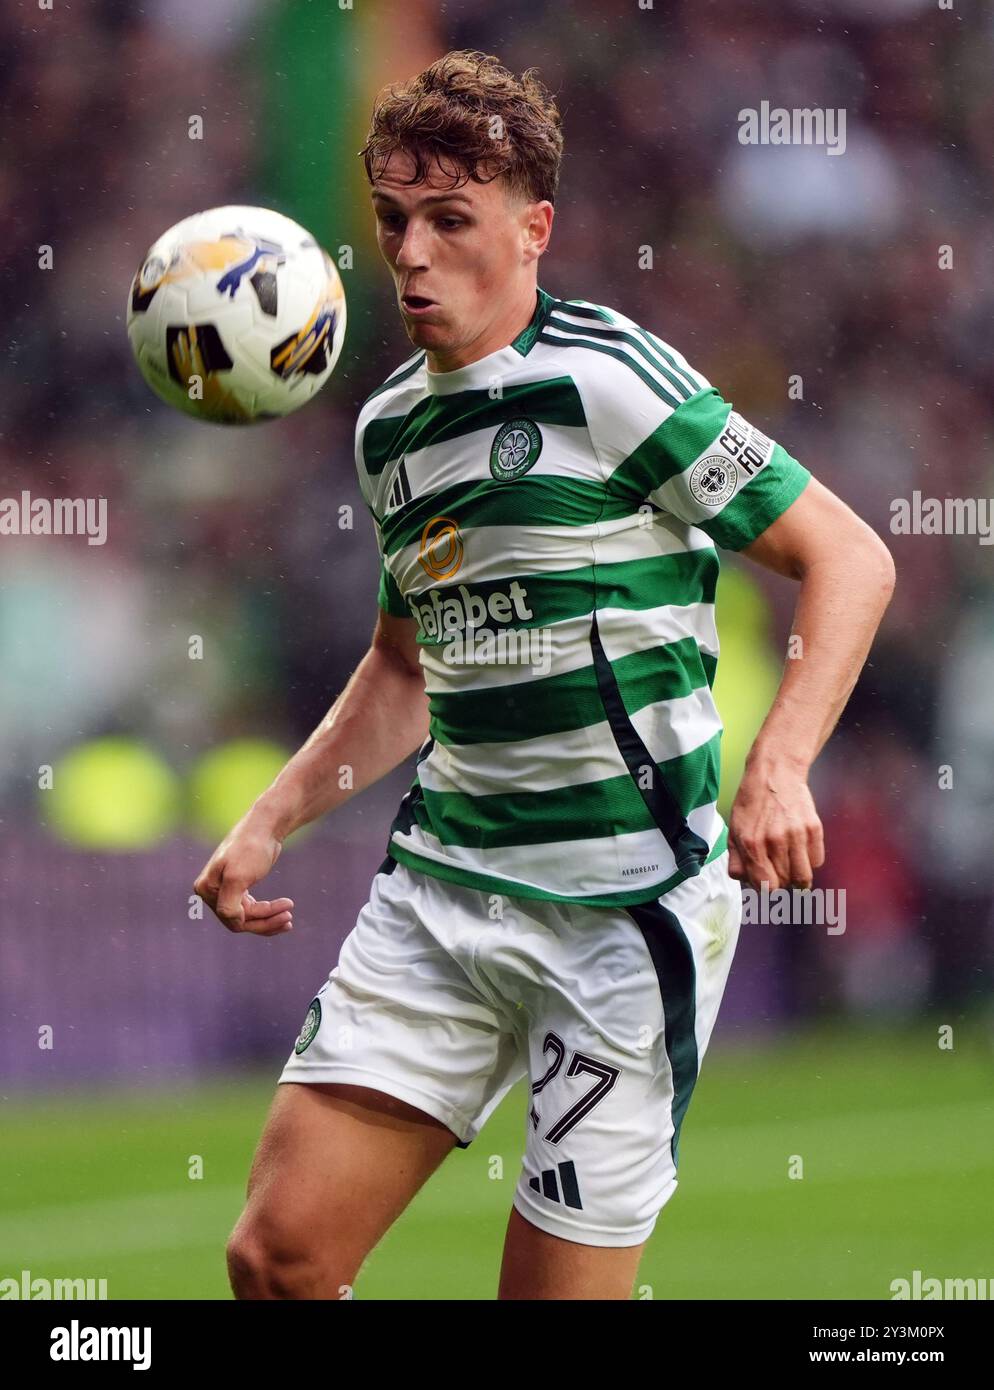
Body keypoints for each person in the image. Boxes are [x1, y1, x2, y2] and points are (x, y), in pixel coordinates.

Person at [194, 50, 895, 1301]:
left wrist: (779, 763)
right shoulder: (389, 428)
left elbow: (847, 556)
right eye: (394, 221)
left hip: (623, 916)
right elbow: (407, 669)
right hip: (445, 895)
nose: (409, 254)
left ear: (533, 231)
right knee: (276, 1259)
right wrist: (272, 818)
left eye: (449, 221)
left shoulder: (613, 378)